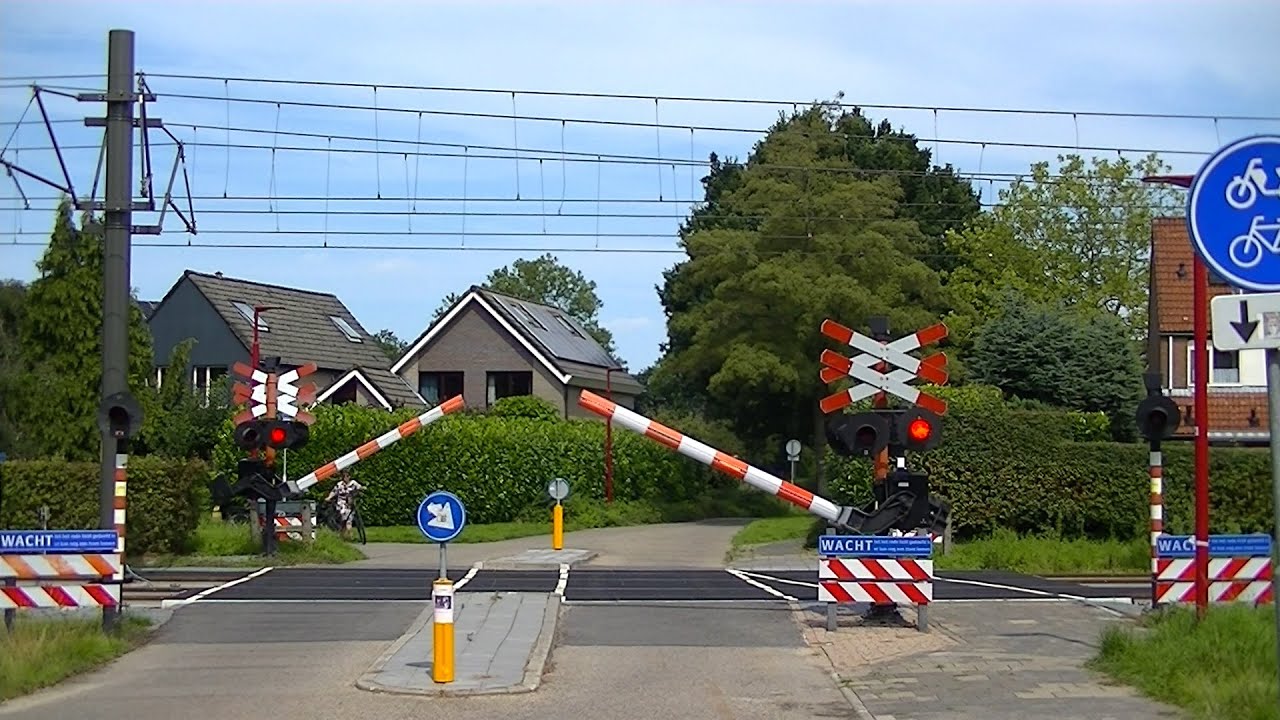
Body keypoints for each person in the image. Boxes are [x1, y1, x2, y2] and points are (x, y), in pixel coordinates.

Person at [325, 471, 365, 539]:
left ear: (349, 477)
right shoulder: (339, 484)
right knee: (343, 518)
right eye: (344, 477)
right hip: (341, 503)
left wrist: (363, 488)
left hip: (350, 504)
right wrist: (329, 497)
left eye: (347, 476)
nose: (345, 478)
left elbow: (360, 487)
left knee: (349, 520)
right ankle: (343, 534)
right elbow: (334, 491)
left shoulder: (353, 483)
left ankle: (349, 534)